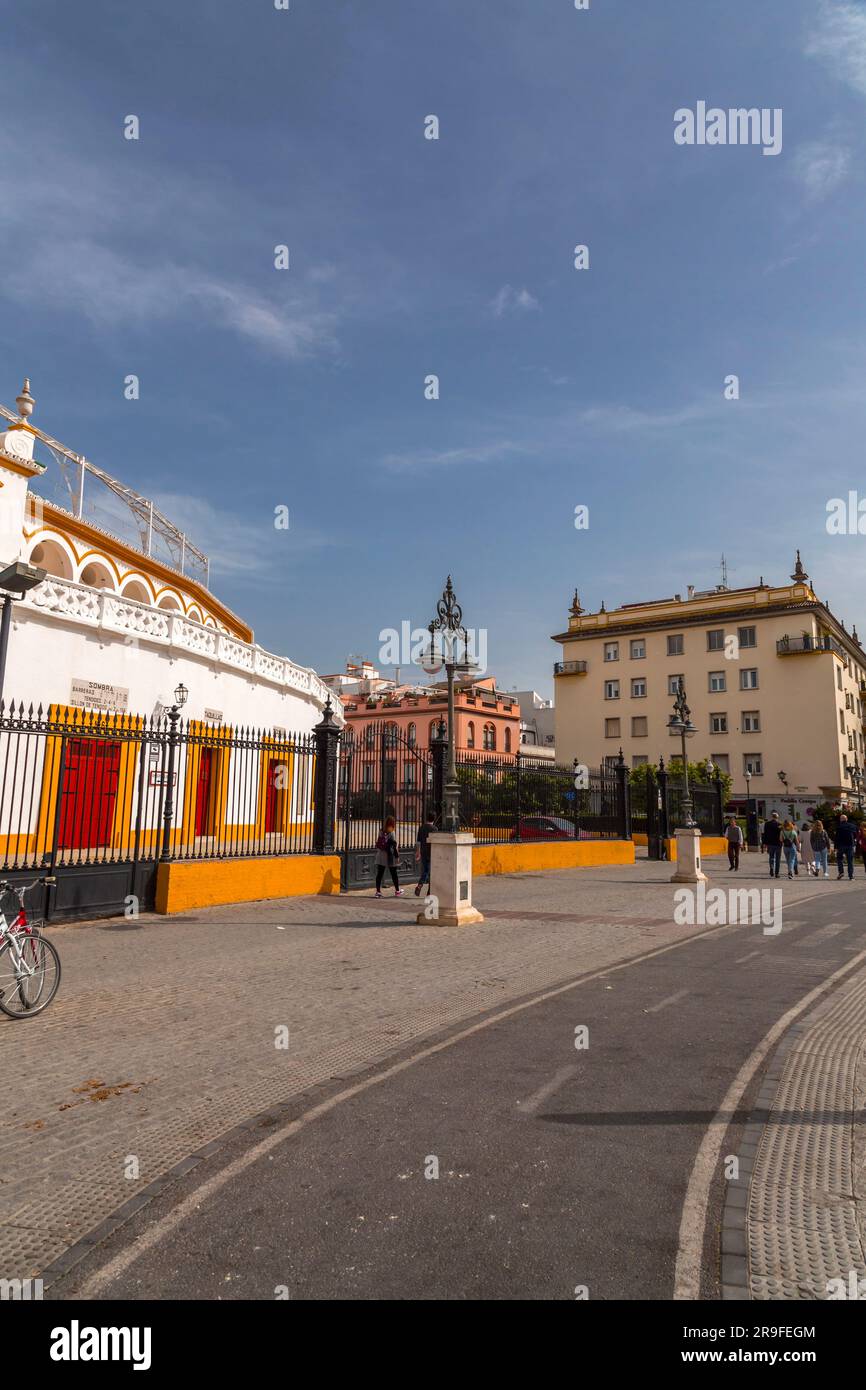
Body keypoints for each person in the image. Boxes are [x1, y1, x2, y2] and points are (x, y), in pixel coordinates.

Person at [374, 816, 403, 898]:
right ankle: (397, 891)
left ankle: (378, 892)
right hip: (390, 856)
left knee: (379, 874)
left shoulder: (381, 831)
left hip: (380, 855)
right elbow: (394, 846)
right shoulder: (392, 832)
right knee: (394, 874)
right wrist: (397, 856)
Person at [414, 812, 436, 896]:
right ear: (434, 819)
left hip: (423, 851)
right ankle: (429, 891)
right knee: (431, 872)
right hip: (432, 852)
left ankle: (420, 886)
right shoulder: (435, 829)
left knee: (426, 870)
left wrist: (418, 852)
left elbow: (418, 841)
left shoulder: (421, 828)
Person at [834, 813, 858, 881]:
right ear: (846, 819)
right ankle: (851, 876)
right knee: (850, 861)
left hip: (841, 845)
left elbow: (837, 838)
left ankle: (841, 872)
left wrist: (835, 847)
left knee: (839, 859)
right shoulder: (852, 826)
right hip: (850, 845)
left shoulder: (839, 827)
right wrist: (854, 842)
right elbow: (856, 835)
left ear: (841, 820)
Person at [761, 811, 783, 878]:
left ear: (772, 817)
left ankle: (771, 868)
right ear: (777, 817)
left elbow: (765, 834)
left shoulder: (767, 824)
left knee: (771, 857)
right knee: (778, 858)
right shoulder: (780, 824)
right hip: (778, 843)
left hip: (770, 843)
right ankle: (777, 873)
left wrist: (764, 843)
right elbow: (782, 834)